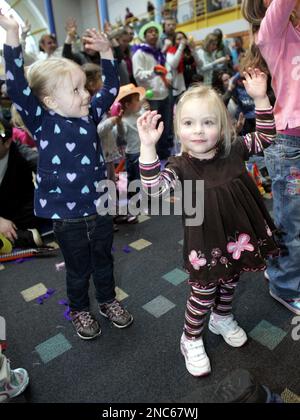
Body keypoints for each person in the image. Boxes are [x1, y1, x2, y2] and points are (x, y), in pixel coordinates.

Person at [0, 11, 133, 339]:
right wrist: (12, 35)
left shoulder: (89, 117)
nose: (86, 93)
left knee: (104, 262)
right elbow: (17, 85)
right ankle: (79, 309)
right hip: (67, 217)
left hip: (99, 209)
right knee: (78, 269)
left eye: (84, 86)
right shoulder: (42, 122)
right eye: (75, 89)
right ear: (49, 101)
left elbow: (111, 87)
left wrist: (106, 53)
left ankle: (107, 300)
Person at [137, 68, 278, 376]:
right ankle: (190, 337)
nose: (198, 131)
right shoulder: (180, 165)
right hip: (204, 242)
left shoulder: (234, 149)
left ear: (223, 126)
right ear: (177, 128)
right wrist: (147, 147)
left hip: (238, 236)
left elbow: (267, 135)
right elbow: (152, 188)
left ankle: (222, 317)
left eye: (208, 122)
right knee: (202, 293)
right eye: (188, 123)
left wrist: (260, 98)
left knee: (231, 279)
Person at [241, 0, 300, 315]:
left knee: (295, 216)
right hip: (290, 146)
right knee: (291, 219)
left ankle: (281, 269)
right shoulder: (272, 32)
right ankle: (284, 286)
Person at [0, 117, 45, 248]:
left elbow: (45, 167)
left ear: (8, 142)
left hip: (21, 212)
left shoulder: (21, 153)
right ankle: (21, 237)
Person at [132, 21, 172, 160]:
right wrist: (153, 72)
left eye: (155, 31)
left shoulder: (159, 53)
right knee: (153, 128)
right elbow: (138, 75)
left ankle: (164, 154)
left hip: (165, 93)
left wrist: (168, 78)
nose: (154, 34)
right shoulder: (139, 53)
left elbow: (166, 70)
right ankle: (153, 156)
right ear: (144, 35)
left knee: (165, 126)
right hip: (151, 96)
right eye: (150, 31)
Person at [166, 31, 203, 100]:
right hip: (181, 86)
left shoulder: (190, 49)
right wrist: (181, 47)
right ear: (174, 41)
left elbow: (200, 64)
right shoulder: (171, 51)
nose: (182, 40)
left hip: (194, 82)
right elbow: (174, 64)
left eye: (183, 38)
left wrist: (193, 49)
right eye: (179, 39)